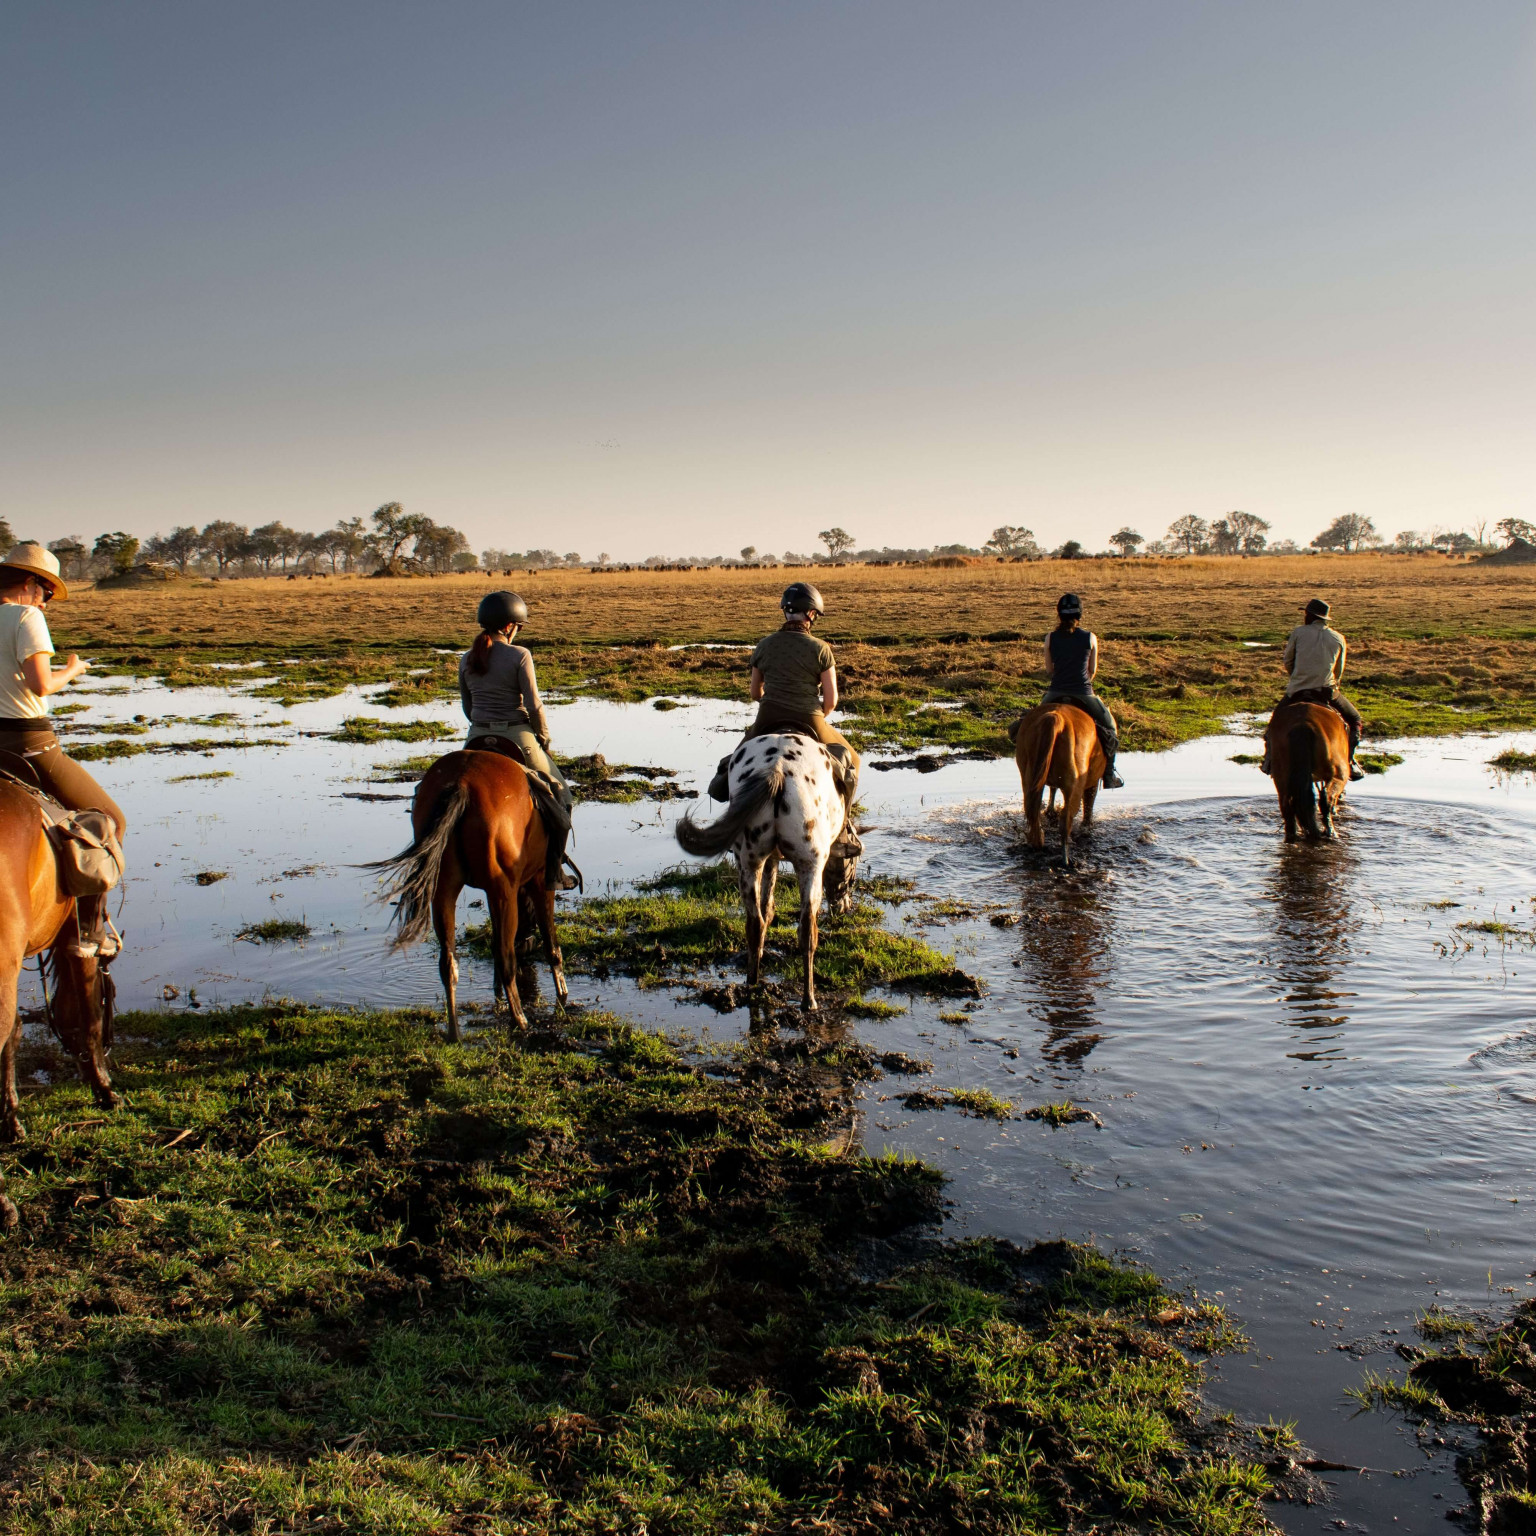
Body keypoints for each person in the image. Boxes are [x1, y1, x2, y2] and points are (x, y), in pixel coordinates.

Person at [708, 582, 861, 851]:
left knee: (732, 763)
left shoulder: (764, 645)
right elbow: (832, 700)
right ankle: (843, 834)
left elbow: (756, 692)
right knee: (852, 761)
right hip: (811, 718)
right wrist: (818, 714)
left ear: (786, 612)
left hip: (768, 716)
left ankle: (735, 823)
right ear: (811, 614)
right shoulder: (821, 649)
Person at [0, 543, 126, 834]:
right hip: (28, 745)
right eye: (48, 593)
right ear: (31, 583)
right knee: (111, 821)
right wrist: (71, 671)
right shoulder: (26, 616)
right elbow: (41, 685)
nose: (45, 603)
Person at [458, 590, 577, 883]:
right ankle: (554, 872)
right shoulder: (519, 655)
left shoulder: (466, 658)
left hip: (476, 736)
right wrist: (544, 739)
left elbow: (467, 707)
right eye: (519, 627)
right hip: (516, 735)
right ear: (510, 626)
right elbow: (534, 704)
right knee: (563, 795)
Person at [1261, 597, 1365, 782]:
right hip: (1326, 690)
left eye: (1305, 613)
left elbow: (1288, 661)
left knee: (1274, 722)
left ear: (1309, 616)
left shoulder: (1299, 633)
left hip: (1297, 690)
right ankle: (1349, 761)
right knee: (1355, 719)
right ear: (1324, 618)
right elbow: (1338, 671)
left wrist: (1297, 678)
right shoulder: (1339, 638)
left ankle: (1269, 760)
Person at [1033, 592, 1124, 788]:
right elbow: (1092, 671)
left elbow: (1049, 669)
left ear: (1059, 615)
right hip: (1084, 692)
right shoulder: (1091, 637)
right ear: (1079, 615)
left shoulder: (1050, 638)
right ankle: (1109, 776)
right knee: (1111, 727)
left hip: (1055, 692)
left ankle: (1031, 769)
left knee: (1030, 725)